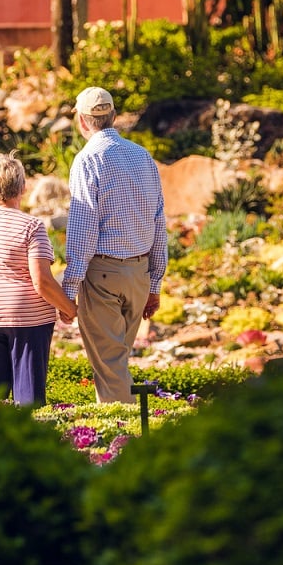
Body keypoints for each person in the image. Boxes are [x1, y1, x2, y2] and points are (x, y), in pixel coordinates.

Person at [62, 86, 167, 403]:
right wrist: (155, 282)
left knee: (109, 368)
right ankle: (118, 435)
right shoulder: (142, 156)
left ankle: (121, 440)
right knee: (116, 364)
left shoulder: (87, 160)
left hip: (103, 275)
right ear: (114, 117)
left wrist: (68, 290)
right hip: (139, 276)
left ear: (82, 121)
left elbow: (83, 228)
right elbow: (159, 221)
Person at [0, 151, 77, 406]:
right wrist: (70, 308)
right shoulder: (32, 226)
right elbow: (42, 282)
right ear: (23, 187)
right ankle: (28, 441)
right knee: (28, 400)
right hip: (25, 318)